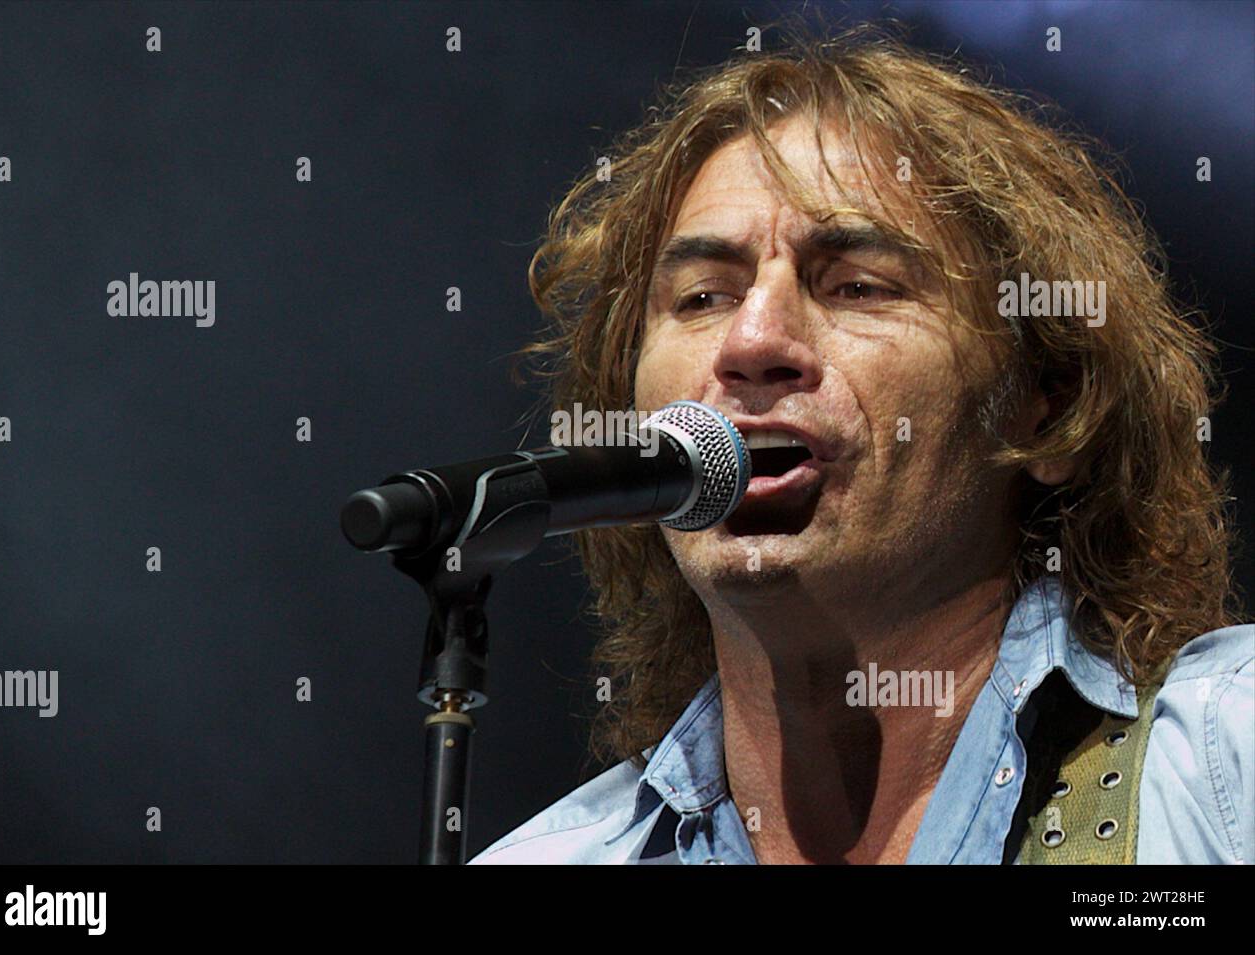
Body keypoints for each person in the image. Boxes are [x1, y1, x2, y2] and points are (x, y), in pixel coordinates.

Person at [469, 26, 1253, 864]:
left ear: (1046, 406)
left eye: (856, 286)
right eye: (701, 297)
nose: (752, 341)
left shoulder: (1224, 764)